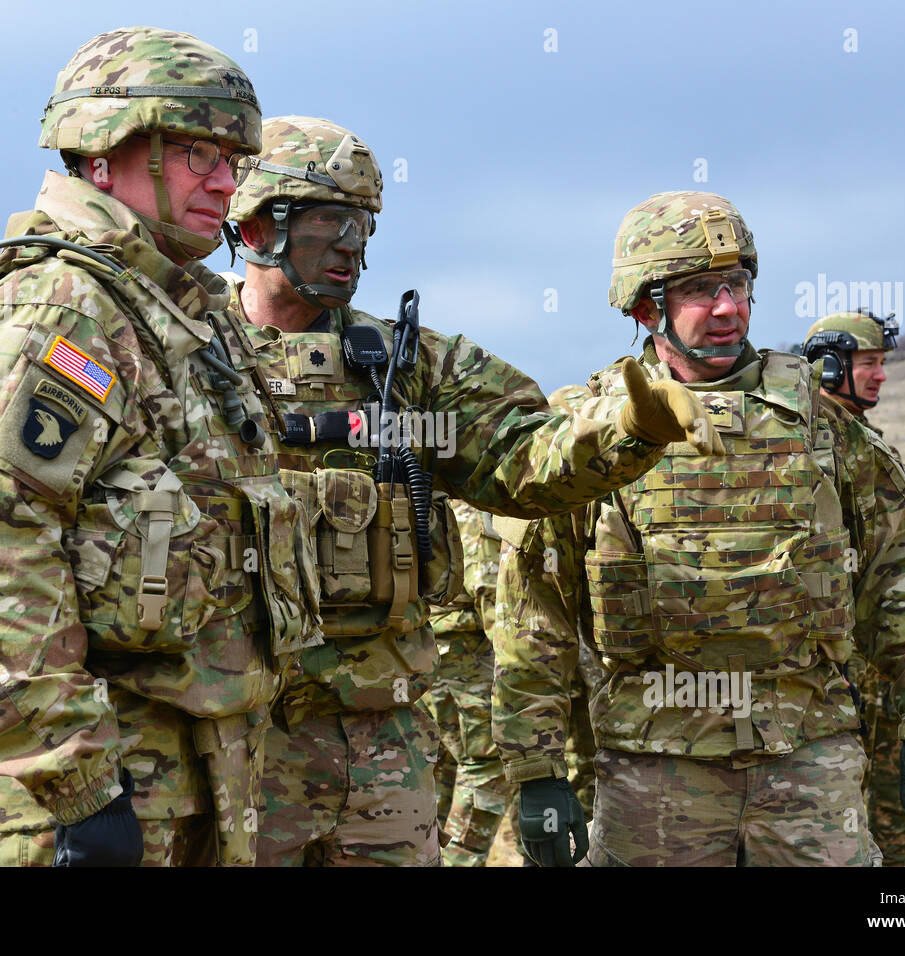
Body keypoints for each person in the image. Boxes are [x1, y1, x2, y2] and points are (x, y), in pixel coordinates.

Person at [225, 119, 723, 865]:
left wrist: (628, 428)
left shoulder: (408, 362)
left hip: (378, 742)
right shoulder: (192, 349)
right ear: (260, 225)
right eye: (329, 219)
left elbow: (522, 455)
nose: (352, 244)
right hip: (234, 736)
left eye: (363, 223)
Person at [0, 26, 323, 868]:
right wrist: (81, 791)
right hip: (90, 808)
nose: (227, 180)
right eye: (197, 150)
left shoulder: (176, 312)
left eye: (234, 157)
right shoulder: (62, 312)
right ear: (101, 154)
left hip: (190, 788)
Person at [493, 190, 905, 866]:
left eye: (737, 283)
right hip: (654, 764)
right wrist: (534, 767)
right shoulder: (590, 428)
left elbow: (899, 573)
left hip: (807, 755)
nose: (727, 307)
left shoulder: (819, 424)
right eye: (697, 289)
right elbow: (532, 606)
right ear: (644, 306)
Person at [803, 309, 905, 864]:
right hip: (824, 682)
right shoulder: (804, 442)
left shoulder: (862, 443)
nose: (880, 375)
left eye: (880, 363)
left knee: (888, 826)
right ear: (828, 365)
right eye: (869, 363)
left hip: (875, 674)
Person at [421, 502, 513, 866]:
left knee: (439, 767)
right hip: (469, 660)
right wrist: (514, 660)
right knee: (486, 768)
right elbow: (489, 588)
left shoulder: (434, 498)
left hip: (432, 653)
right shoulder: (476, 508)